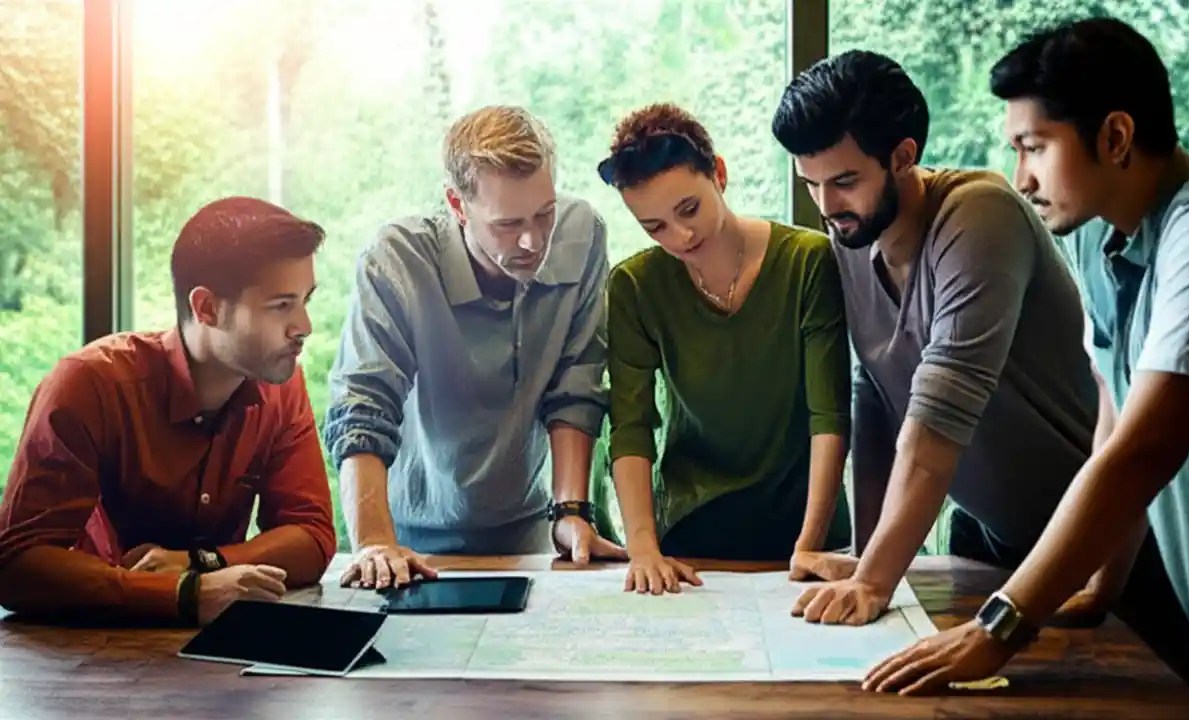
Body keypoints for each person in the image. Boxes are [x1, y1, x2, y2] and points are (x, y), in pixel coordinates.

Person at [861, 18, 1189, 718]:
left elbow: (1145, 453)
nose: (1020, 177)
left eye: (1035, 147)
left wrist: (1002, 626)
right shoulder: (1097, 236)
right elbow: (1115, 425)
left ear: (1115, 137)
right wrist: (1098, 589)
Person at [771, 48, 1189, 687]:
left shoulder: (980, 215)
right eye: (811, 183)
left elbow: (938, 414)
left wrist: (874, 579)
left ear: (902, 155)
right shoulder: (853, 234)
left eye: (843, 181)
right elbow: (879, 398)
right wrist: (866, 557)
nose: (825, 205)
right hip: (995, 541)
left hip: (1111, 547)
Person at [0, 196, 337, 626]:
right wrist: (182, 594)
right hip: (85, 652)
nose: (304, 326)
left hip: (222, 662)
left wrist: (198, 563)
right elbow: (18, 565)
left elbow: (311, 537)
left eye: (305, 300)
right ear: (207, 308)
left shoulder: (283, 386)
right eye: (281, 305)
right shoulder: (89, 383)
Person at [325, 105, 623, 590]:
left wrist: (569, 512)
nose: (533, 241)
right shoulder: (396, 258)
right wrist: (374, 542)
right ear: (458, 205)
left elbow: (577, 386)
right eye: (507, 224)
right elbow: (362, 405)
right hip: (410, 539)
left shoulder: (582, 233)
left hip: (532, 534)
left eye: (544, 214)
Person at [600, 102, 852, 594]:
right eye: (655, 227)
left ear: (718, 173)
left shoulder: (807, 260)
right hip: (689, 537)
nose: (681, 235)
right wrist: (644, 548)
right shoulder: (634, 285)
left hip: (806, 530)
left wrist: (810, 544)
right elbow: (630, 428)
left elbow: (830, 416)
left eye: (688, 209)